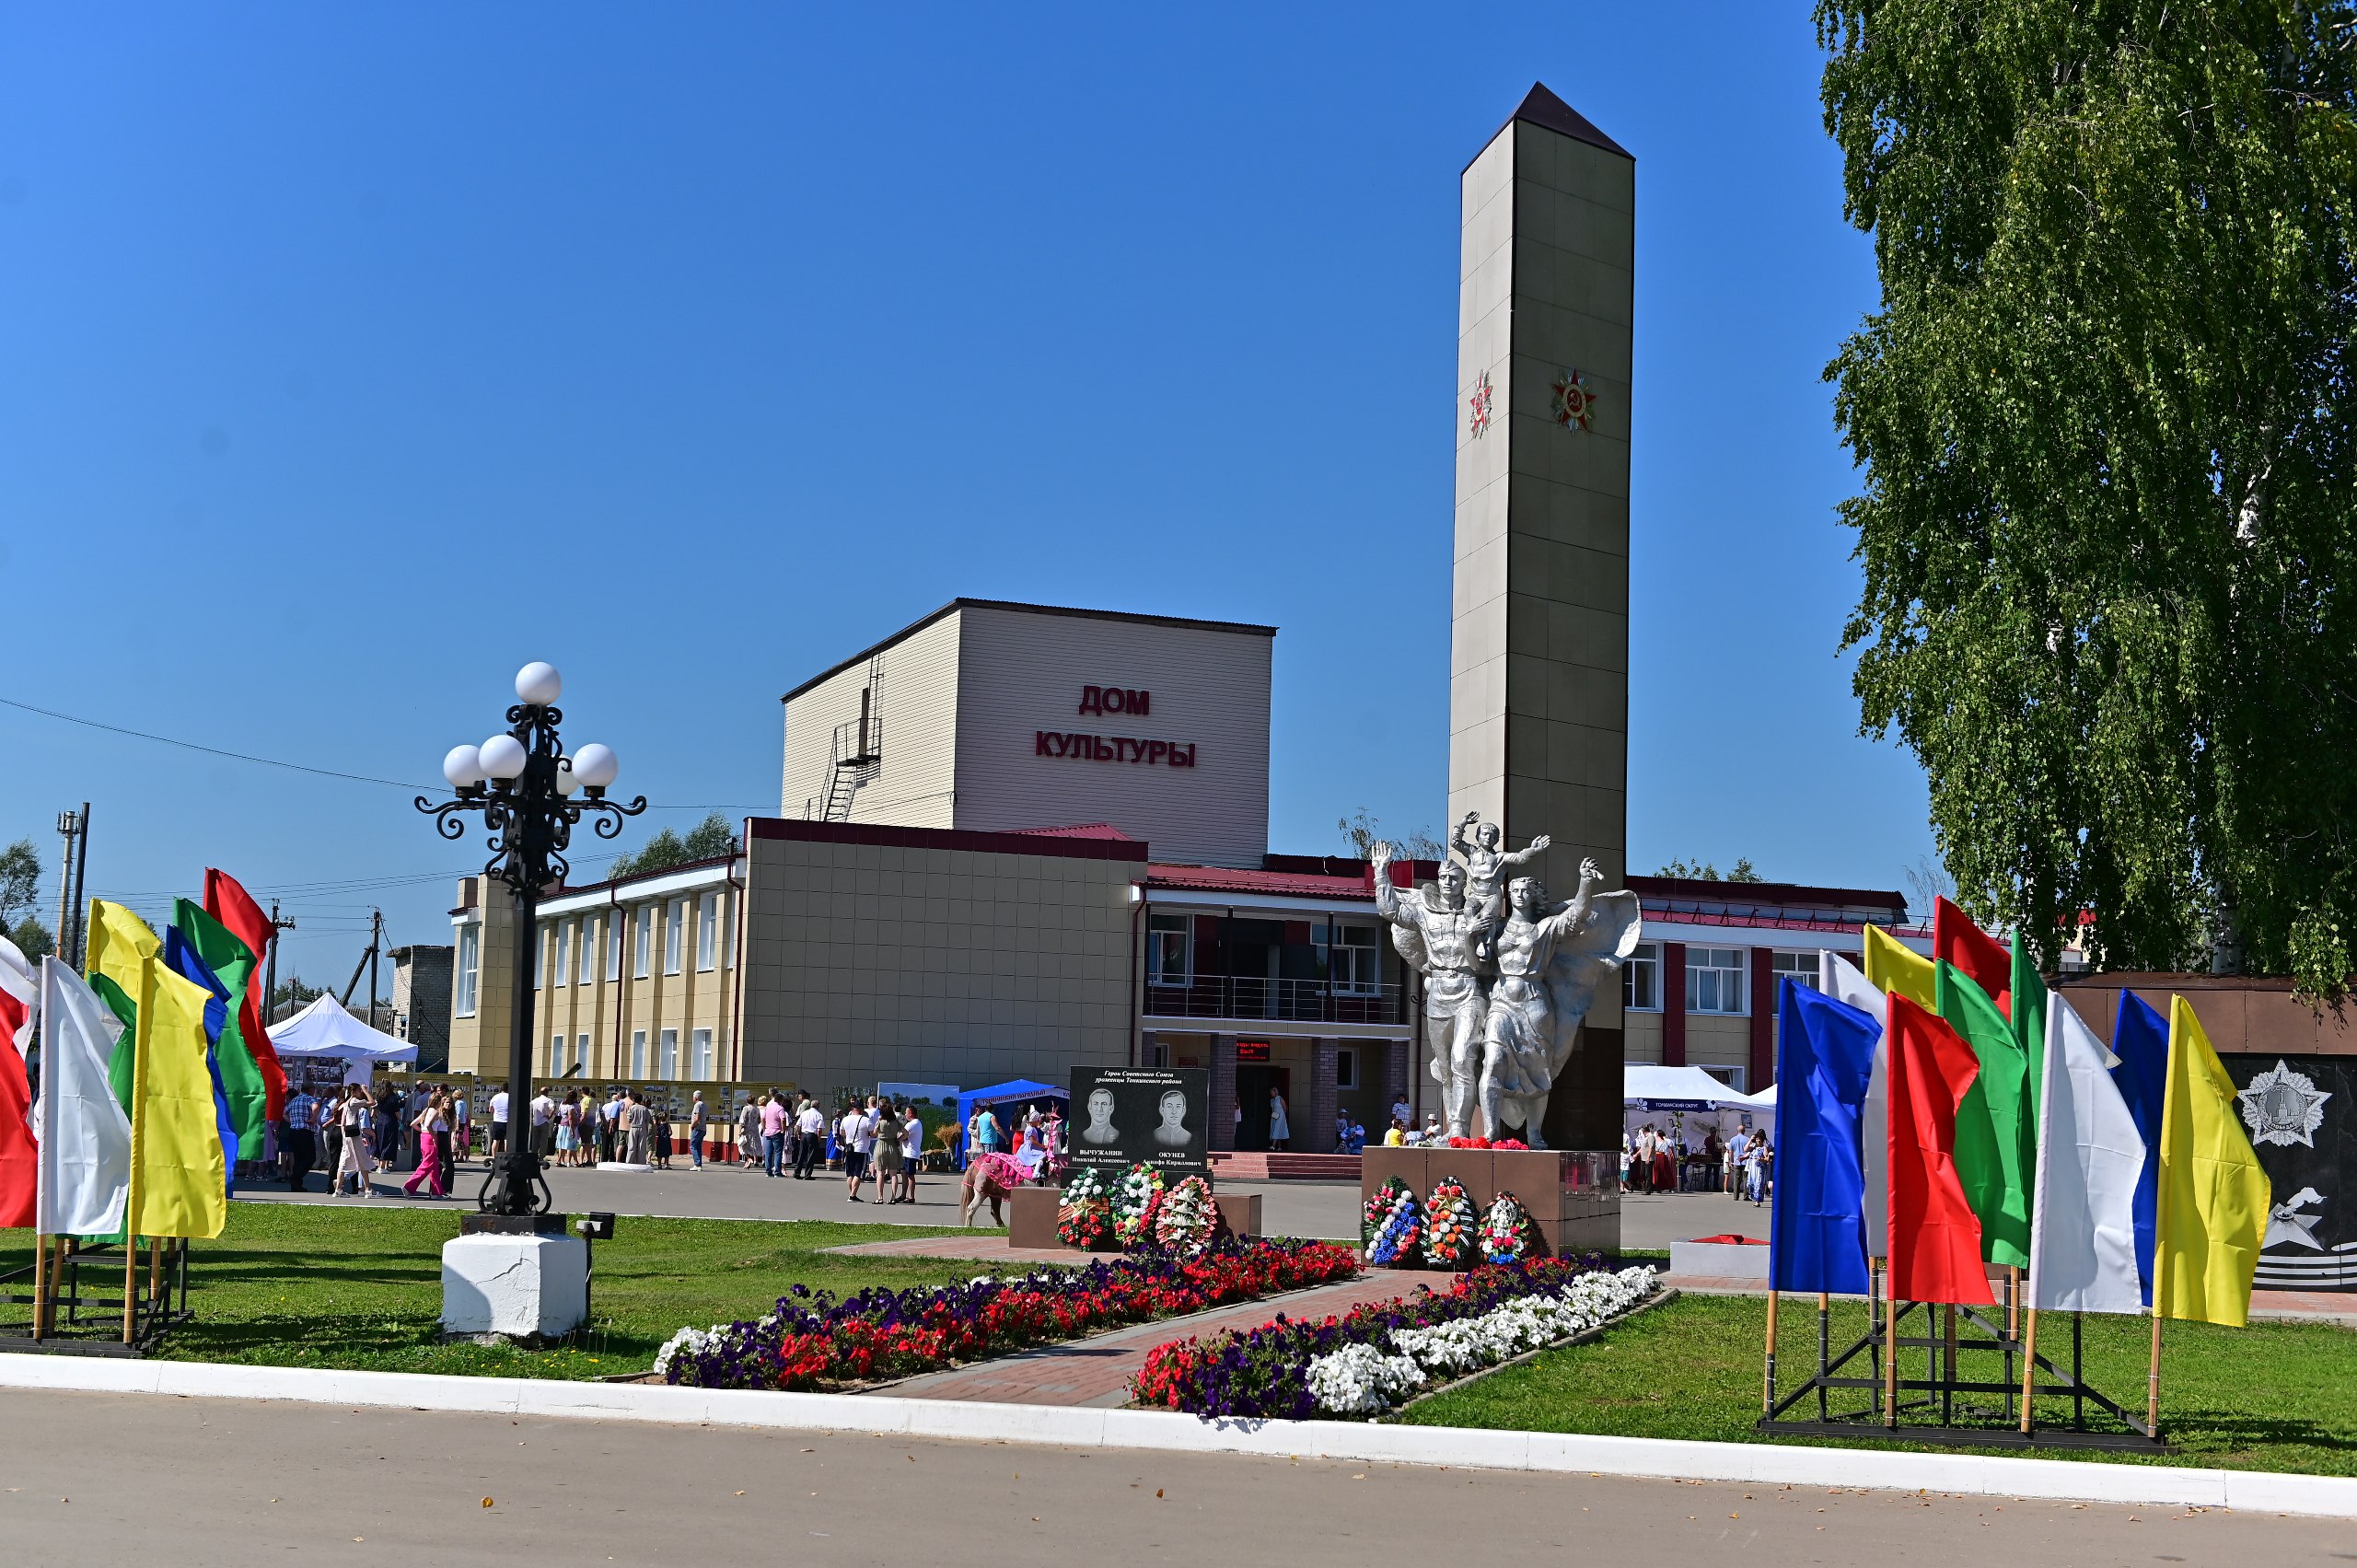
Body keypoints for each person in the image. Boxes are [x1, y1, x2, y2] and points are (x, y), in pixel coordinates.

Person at [403, 1092, 449, 1198]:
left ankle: (436, 1192)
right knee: (427, 1165)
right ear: (438, 1102)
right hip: (430, 1138)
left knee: (434, 1166)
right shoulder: (435, 1112)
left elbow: (413, 1124)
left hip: (424, 1137)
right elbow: (429, 1125)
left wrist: (422, 1131)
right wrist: (433, 1136)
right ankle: (409, 1186)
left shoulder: (426, 1110)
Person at [336, 1084, 375, 1199]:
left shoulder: (346, 1103)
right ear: (353, 1091)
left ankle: (338, 1188)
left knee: (345, 1161)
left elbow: (343, 1123)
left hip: (348, 1135)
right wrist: (365, 1091)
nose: (360, 1093)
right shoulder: (353, 1102)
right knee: (362, 1161)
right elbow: (372, 1102)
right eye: (359, 1091)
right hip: (354, 1136)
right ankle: (367, 1189)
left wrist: (344, 1135)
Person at [282, 1085, 319, 1191]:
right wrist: (313, 1118)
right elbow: (315, 1107)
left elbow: (284, 1113)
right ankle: (295, 1178)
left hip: (293, 1131)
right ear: (310, 1090)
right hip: (305, 1131)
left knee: (298, 1159)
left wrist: (292, 1121)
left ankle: (296, 1185)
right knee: (310, 1158)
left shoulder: (294, 1100)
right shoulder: (309, 1098)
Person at [875, 1100, 905, 1199]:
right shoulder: (896, 1123)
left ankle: (880, 1197)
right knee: (893, 1174)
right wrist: (898, 1140)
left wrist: (879, 1121)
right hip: (892, 1146)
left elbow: (874, 1133)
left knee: (880, 1173)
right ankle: (893, 1197)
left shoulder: (880, 1122)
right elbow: (906, 1133)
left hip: (881, 1146)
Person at [840, 1102, 869, 1201]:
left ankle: (851, 1194)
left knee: (850, 1173)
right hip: (861, 1148)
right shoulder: (866, 1120)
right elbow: (873, 1134)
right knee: (858, 1173)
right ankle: (852, 1195)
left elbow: (842, 1133)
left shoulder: (845, 1119)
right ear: (862, 1110)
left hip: (849, 1147)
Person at [794, 1097, 826, 1179]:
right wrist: (819, 1138)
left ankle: (797, 1173)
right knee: (811, 1155)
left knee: (801, 1154)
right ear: (818, 1106)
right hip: (812, 1135)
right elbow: (819, 1129)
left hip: (804, 1134)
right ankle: (807, 1174)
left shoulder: (804, 1113)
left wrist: (798, 1134)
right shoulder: (819, 1115)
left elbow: (798, 1125)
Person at [897, 1104, 923, 1203]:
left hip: (911, 1153)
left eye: (906, 1112)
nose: (905, 1114)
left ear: (910, 1113)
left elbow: (903, 1134)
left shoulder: (912, 1124)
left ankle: (911, 1196)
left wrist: (897, 1140)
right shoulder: (917, 1123)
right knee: (904, 1173)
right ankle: (903, 1195)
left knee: (910, 1175)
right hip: (908, 1152)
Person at [622, 1091, 652, 1165]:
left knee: (632, 1145)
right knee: (641, 1147)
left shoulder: (632, 1108)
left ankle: (629, 1162)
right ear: (641, 1100)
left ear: (634, 1100)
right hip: (642, 1128)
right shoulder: (645, 1109)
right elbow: (647, 1120)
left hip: (633, 1127)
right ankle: (641, 1162)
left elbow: (629, 1118)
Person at [488, 1087, 510, 1162]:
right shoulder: (510, 1097)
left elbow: (490, 1110)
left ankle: (494, 1158)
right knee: (507, 1141)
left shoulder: (495, 1097)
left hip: (497, 1121)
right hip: (508, 1121)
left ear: (500, 1089)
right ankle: (507, 1158)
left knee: (495, 1141)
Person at [688, 1090, 708, 1170]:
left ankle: (697, 1164)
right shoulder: (704, 1105)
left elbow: (697, 1118)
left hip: (697, 1128)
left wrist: (692, 1126)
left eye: (693, 1097)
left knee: (692, 1145)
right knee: (698, 1146)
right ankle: (699, 1164)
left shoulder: (697, 1105)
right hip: (703, 1128)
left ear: (695, 1097)